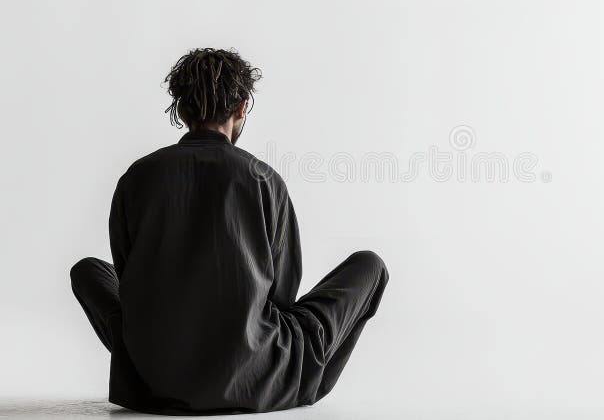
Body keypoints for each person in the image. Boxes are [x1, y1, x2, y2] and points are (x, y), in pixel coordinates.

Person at [69, 48, 389, 414]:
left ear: (181, 111)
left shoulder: (137, 177)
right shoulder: (263, 179)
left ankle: (162, 368)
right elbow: (282, 297)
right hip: (254, 375)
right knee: (370, 265)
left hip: (154, 379)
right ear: (241, 109)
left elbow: (130, 283)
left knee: (87, 271)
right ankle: (280, 382)